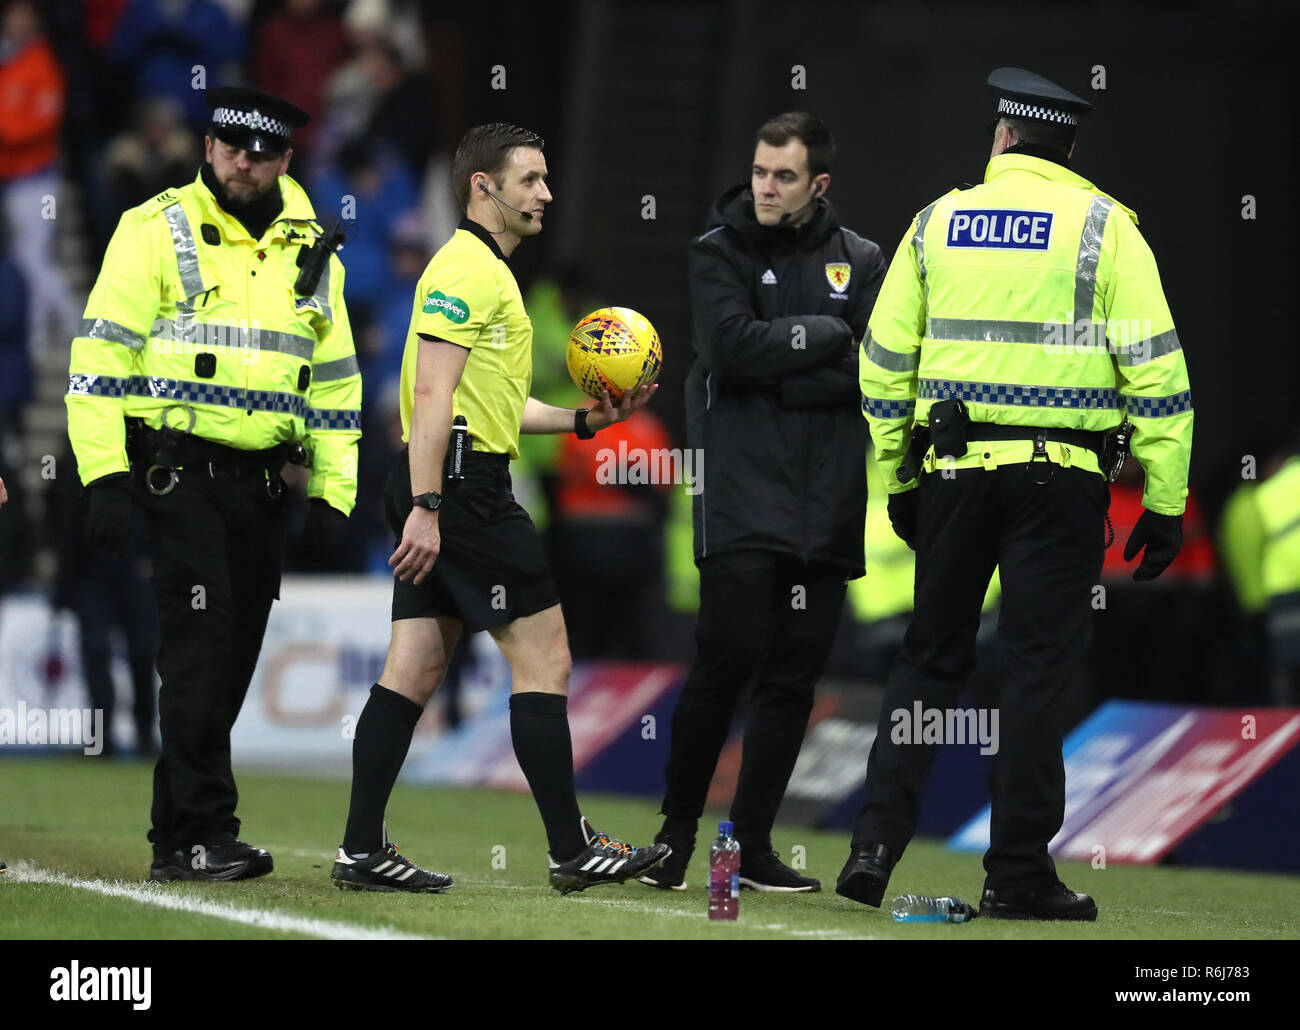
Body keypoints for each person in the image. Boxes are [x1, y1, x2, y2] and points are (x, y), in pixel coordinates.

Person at [840, 68, 1193, 920]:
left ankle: (873, 849)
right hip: (1063, 486)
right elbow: (1157, 370)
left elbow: (883, 364)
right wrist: (1166, 499)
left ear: (1002, 139)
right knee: (1036, 672)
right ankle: (1017, 871)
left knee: (928, 660)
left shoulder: (937, 222)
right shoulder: (1108, 230)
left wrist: (901, 472)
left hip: (957, 475)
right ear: (1069, 148)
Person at [328, 123, 669, 895]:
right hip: (461, 488)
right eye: (530, 180)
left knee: (414, 667)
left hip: (450, 479)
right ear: (484, 187)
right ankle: (571, 848)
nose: (546, 194)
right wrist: (427, 505)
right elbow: (431, 395)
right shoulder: (467, 270)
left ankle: (359, 848)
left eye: (546, 180)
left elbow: (501, 404)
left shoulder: (487, 274)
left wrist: (588, 420)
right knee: (545, 658)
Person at [66, 86, 361, 881]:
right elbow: (100, 359)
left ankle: (175, 839)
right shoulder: (152, 229)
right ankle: (204, 833)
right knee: (199, 656)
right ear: (207, 146)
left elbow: (334, 384)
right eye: (231, 145)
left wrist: (335, 492)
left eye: (262, 151)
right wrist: (105, 476)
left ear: (285, 159)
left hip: (265, 490)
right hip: (178, 477)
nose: (244, 161)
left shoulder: (316, 245)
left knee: (226, 666)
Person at [638, 113, 885, 893]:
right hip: (741, 495)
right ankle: (677, 836)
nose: (765, 188)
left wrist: (788, 357)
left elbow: (873, 375)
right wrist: (824, 335)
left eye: (783, 176)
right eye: (758, 172)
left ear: (819, 184)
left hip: (826, 504)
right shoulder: (718, 251)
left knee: (793, 679)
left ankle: (748, 848)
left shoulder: (864, 260)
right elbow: (728, 349)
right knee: (727, 660)